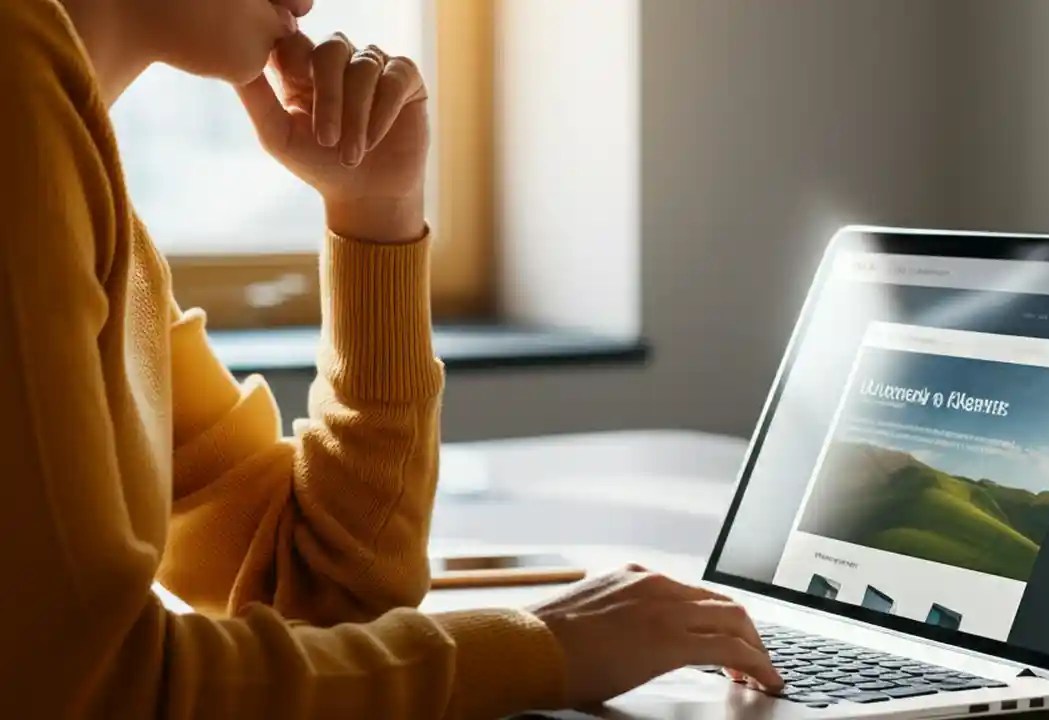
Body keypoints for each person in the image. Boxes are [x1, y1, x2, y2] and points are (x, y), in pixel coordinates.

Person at [0, 0, 783, 715]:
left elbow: (318, 589)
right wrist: (546, 647)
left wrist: (376, 214)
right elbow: (88, 689)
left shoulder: (82, 174)